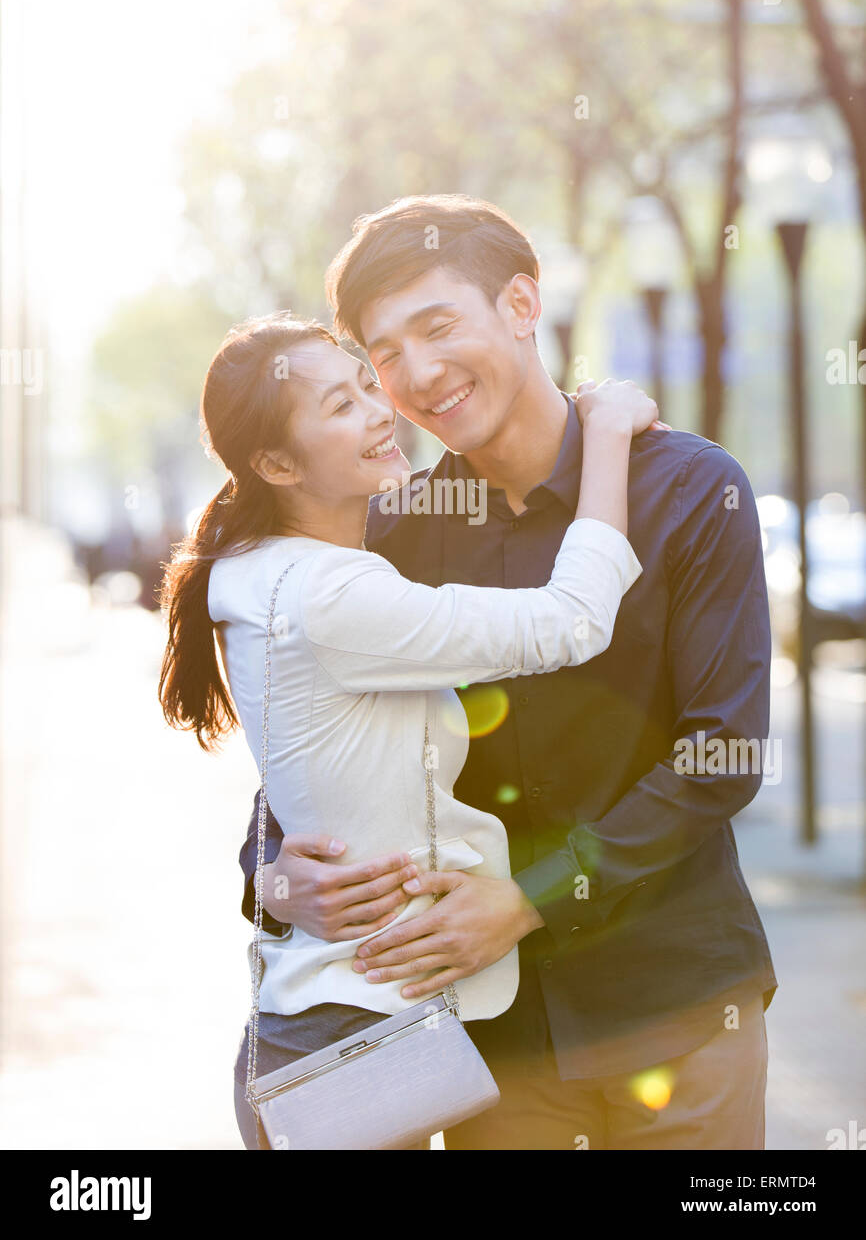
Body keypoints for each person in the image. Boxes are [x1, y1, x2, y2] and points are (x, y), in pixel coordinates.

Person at [240, 194, 777, 1151]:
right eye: (386, 353)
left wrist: (532, 896)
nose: (418, 373)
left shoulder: (691, 490)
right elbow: (312, 747)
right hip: (492, 1046)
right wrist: (274, 881)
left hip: (679, 1007)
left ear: (522, 304)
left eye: (439, 326)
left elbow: (722, 752)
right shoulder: (393, 533)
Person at [158, 311, 656, 1149]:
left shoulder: (256, 569)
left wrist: (271, 882)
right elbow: (570, 622)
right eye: (340, 407)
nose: (378, 411)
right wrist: (607, 436)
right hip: (350, 1043)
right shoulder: (331, 594)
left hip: (322, 1029)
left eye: (367, 386)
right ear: (276, 465)